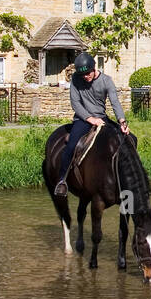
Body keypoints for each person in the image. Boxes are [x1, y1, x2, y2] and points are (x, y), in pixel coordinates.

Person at [53, 52, 129, 197]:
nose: (86, 77)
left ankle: (129, 176)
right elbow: (75, 103)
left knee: (129, 138)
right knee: (71, 145)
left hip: (102, 118)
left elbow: (115, 102)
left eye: (88, 73)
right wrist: (90, 119)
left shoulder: (106, 81)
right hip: (82, 119)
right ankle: (62, 180)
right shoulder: (76, 79)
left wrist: (122, 121)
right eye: (83, 75)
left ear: (94, 69)